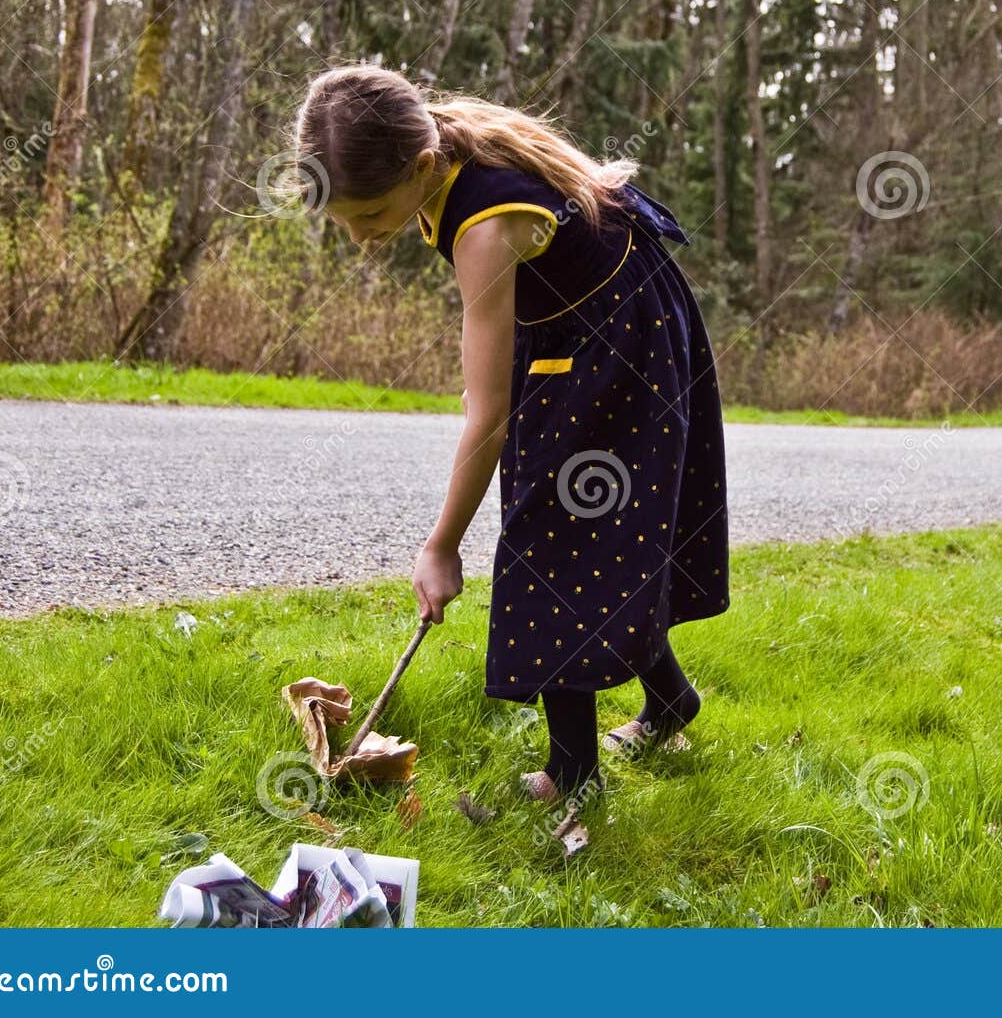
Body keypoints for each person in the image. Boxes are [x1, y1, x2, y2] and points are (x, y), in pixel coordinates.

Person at [292, 64, 729, 811]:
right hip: (585, 322)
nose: (363, 239)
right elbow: (487, 382)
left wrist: (441, 546)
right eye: (348, 226)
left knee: (555, 537)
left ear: (420, 167)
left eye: (368, 217)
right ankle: (670, 704)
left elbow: (488, 417)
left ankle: (574, 776)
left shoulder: (483, 229)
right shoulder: (439, 147)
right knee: (592, 536)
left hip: (622, 340)